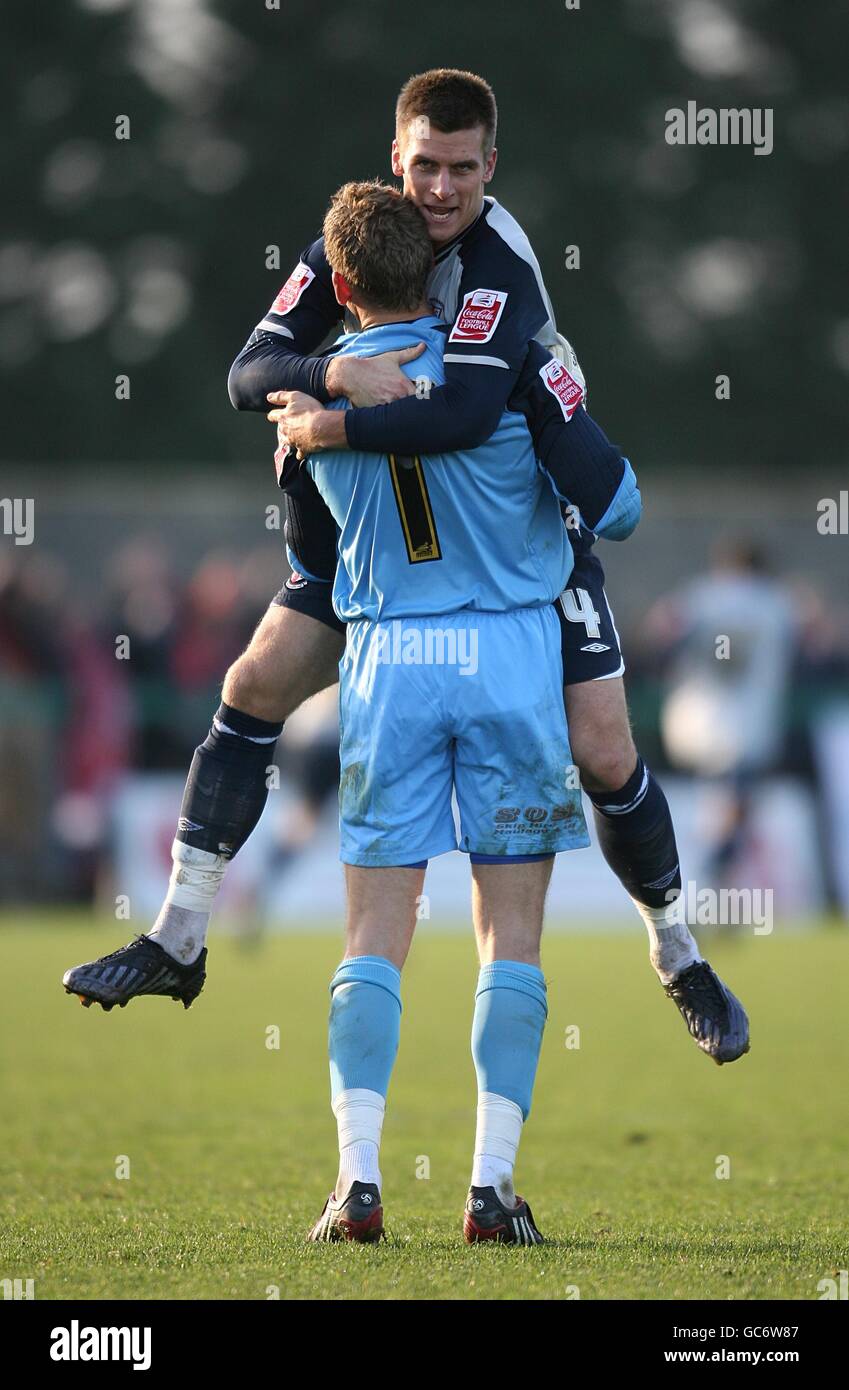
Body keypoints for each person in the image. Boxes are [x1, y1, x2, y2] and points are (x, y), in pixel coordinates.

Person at [62, 69, 749, 1071]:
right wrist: (328, 371)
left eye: (461, 170)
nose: (440, 189)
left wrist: (328, 424)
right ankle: (179, 934)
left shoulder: (501, 265)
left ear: (489, 169)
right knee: (251, 683)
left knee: (604, 750)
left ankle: (678, 949)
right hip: (393, 544)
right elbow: (247, 372)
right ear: (397, 156)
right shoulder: (354, 242)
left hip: (521, 536)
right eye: (425, 164)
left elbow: (463, 417)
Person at [292, 180, 631, 1243]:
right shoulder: (504, 363)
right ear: (439, 272)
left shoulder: (306, 421)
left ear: (339, 285)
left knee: (373, 929)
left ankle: (356, 1183)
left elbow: (309, 561)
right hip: (511, 654)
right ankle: (489, 1189)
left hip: (390, 656)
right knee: (511, 931)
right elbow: (617, 506)